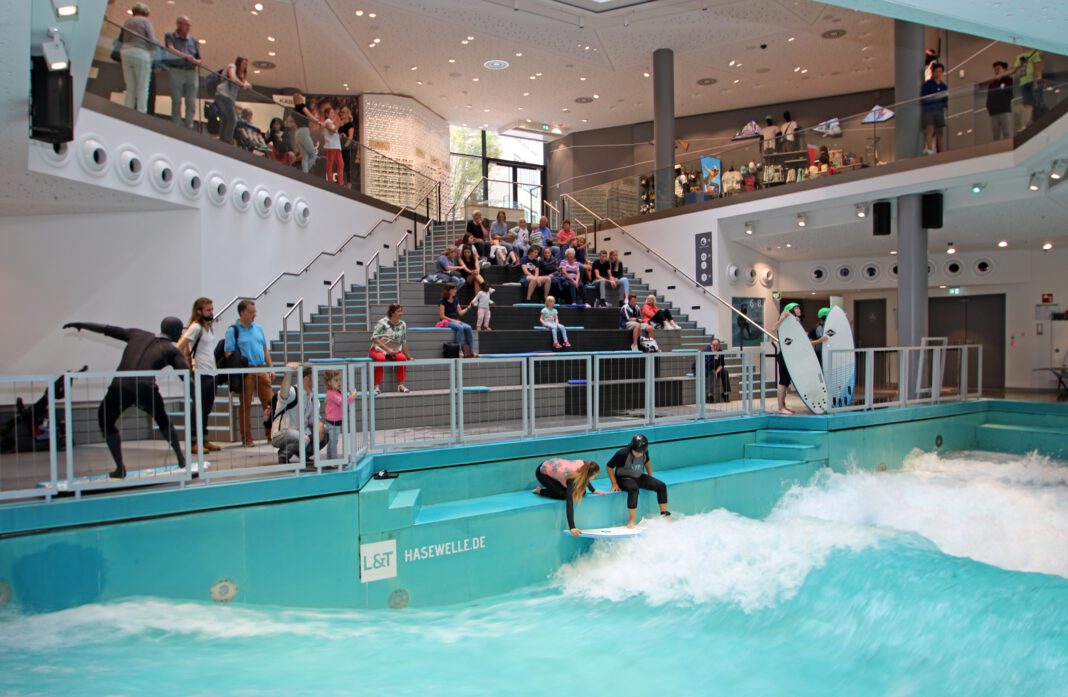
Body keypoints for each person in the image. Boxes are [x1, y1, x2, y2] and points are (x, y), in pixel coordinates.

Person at [62, 317, 188, 479]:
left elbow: (107, 329)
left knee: (105, 420)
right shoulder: (171, 350)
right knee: (163, 421)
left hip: (119, 386)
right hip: (144, 389)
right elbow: (186, 376)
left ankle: (119, 467)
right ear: (177, 332)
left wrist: (82, 325)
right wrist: (194, 391)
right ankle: (181, 458)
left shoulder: (137, 334)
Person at [224, 299, 274, 446]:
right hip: (246, 371)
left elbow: (265, 349)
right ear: (242, 313)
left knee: (270, 403)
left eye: (255, 312)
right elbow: (228, 352)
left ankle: (271, 433)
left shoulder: (258, 328)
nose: (254, 315)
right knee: (245, 405)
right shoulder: (233, 330)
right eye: (251, 312)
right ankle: (247, 436)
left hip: (261, 368)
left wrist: (270, 367)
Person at [176, 297, 220, 453]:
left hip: (210, 372)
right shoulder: (195, 327)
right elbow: (180, 345)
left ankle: (203, 438)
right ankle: (194, 441)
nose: (211, 313)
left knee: (206, 408)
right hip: (200, 372)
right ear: (199, 311)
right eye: (208, 310)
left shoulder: (208, 328)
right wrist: (185, 363)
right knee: (198, 408)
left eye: (212, 309)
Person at [607, 434, 670, 528]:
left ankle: (665, 515)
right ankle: (631, 521)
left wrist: (650, 477)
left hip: (638, 476)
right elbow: (609, 466)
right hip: (623, 478)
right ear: (632, 447)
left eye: (640, 452)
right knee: (634, 489)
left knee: (661, 486)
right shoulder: (622, 453)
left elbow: (647, 462)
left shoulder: (644, 451)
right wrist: (614, 483)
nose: (638, 454)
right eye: (636, 452)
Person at [533, 458, 606, 536]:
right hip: (542, 472)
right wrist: (572, 527)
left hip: (554, 466)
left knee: (582, 492)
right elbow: (569, 502)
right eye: (595, 476)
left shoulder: (585, 466)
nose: (595, 477)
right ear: (589, 475)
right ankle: (540, 491)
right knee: (563, 494)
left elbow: (585, 477)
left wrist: (593, 490)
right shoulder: (572, 477)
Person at [272, 364, 328, 465]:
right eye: (315, 376)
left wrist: (319, 424)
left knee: (325, 431)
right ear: (307, 378)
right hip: (282, 434)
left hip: (301, 433)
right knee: (303, 438)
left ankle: (303, 454)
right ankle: (283, 454)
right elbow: (283, 394)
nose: (318, 380)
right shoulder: (293, 392)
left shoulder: (312, 396)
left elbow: (313, 419)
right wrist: (288, 372)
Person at [163, 15, 200, 128]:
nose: (189, 27)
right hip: (176, 70)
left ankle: (189, 123)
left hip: (191, 72)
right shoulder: (170, 36)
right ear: (179, 24)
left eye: (189, 25)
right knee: (176, 99)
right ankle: (176, 125)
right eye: (186, 24)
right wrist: (186, 56)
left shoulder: (194, 41)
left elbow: (199, 58)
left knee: (191, 101)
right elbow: (170, 49)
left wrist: (196, 61)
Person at [120, 3, 157, 114]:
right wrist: (154, 49)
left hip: (125, 52)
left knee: (130, 86)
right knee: (143, 87)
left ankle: (127, 112)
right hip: (140, 52)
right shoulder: (145, 21)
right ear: (146, 12)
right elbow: (151, 40)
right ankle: (141, 114)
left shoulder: (127, 21)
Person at [370, 304, 411, 395]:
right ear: (392, 312)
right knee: (380, 358)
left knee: (402, 358)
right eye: (399, 311)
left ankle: (401, 385)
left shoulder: (402, 324)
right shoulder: (382, 322)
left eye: (401, 311)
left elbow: (403, 341)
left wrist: (409, 356)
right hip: (379, 349)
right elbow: (375, 338)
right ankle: (376, 386)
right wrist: (387, 350)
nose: (401, 313)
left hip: (394, 350)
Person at [216, 56, 251, 145]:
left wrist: (246, 84)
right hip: (223, 94)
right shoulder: (232, 66)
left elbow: (247, 84)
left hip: (229, 98)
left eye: (246, 64)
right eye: (243, 63)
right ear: (239, 62)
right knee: (232, 118)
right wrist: (243, 84)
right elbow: (232, 77)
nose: (245, 66)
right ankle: (227, 139)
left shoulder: (241, 75)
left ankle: (222, 139)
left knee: (226, 117)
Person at [322, 370, 355, 460]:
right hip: (332, 422)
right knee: (333, 441)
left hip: (335, 421)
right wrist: (352, 396)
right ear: (329, 382)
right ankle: (333, 459)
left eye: (340, 379)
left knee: (332, 441)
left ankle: (330, 459)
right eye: (336, 380)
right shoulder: (332, 393)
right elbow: (342, 402)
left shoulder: (336, 391)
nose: (339, 382)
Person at [438, 284, 475, 356]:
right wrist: (454, 321)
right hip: (446, 321)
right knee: (460, 328)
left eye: (456, 289)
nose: (455, 291)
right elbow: (442, 316)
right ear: (449, 290)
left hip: (455, 321)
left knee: (468, 327)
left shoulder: (456, 299)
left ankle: (471, 350)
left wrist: (469, 307)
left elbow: (460, 313)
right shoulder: (442, 301)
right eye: (454, 289)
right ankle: (459, 350)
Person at [920, 62, 948, 155]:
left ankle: (942, 152)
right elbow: (923, 98)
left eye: (940, 71)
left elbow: (945, 99)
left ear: (942, 72)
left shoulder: (944, 86)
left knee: (940, 131)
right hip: (929, 110)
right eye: (936, 71)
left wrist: (944, 106)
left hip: (939, 110)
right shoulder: (927, 85)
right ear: (933, 72)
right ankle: (929, 151)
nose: (938, 73)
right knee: (930, 129)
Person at [1013, 49, 1044, 131]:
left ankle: (1039, 124)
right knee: (1027, 104)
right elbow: (1015, 70)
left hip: (1034, 80)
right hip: (1024, 82)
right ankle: (1029, 124)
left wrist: (1035, 81)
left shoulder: (1034, 52)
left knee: (1037, 102)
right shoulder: (1020, 56)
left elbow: (1037, 67)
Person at [291, 92, 320, 173]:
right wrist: (317, 121)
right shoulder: (302, 106)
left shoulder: (293, 111)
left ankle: (304, 173)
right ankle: (304, 174)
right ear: (300, 99)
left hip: (298, 133)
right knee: (313, 155)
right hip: (304, 132)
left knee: (305, 156)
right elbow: (309, 115)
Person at [986, 61, 1014, 142]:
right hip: (993, 112)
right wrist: (989, 107)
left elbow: (1011, 94)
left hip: (1004, 110)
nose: (996, 71)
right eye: (995, 69)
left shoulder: (1009, 80)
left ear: (1004, 69)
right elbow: (989, 97)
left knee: (1007, 132)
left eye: (998, 69)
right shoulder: (992, 84)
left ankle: (1009, 149)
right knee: (995, 135)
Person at [701, 337, 731, 402]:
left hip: (715, 369)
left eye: (717, 345)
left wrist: (717, 372)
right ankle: (709, 395)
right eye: (714, 345)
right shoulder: (706, 352)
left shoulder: (720, 351)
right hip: (704, 369)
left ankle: (725, 393)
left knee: (725, 372)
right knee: (711, 373)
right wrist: (715, 358)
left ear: (719, 346)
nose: (715, 347)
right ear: (711, 345)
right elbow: (707, 365)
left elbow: (722, 364)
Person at [321, 105, 344, 185]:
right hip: (332, 145)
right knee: (331, 163)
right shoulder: (327, 121)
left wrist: (339, 134)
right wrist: (338, 125)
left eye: (333, 113)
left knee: (340, 164)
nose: (333, 114)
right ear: (327, 114)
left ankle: (340, 182)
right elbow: (332, 131)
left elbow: (333, 132)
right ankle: (330, 181)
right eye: (331, 113)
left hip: (336, 146)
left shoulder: (330, 122)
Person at [338, 106, 357, 189]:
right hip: (339, 146)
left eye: (344, 112)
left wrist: (345, 145)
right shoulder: (340, 123)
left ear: (348, 114)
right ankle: (341, 182)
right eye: (341, 112)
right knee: (340, 164)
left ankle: (348, 183)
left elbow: (350, 137)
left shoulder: (350, 124)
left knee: (347, 165)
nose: (341, 113)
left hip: (346, 147)